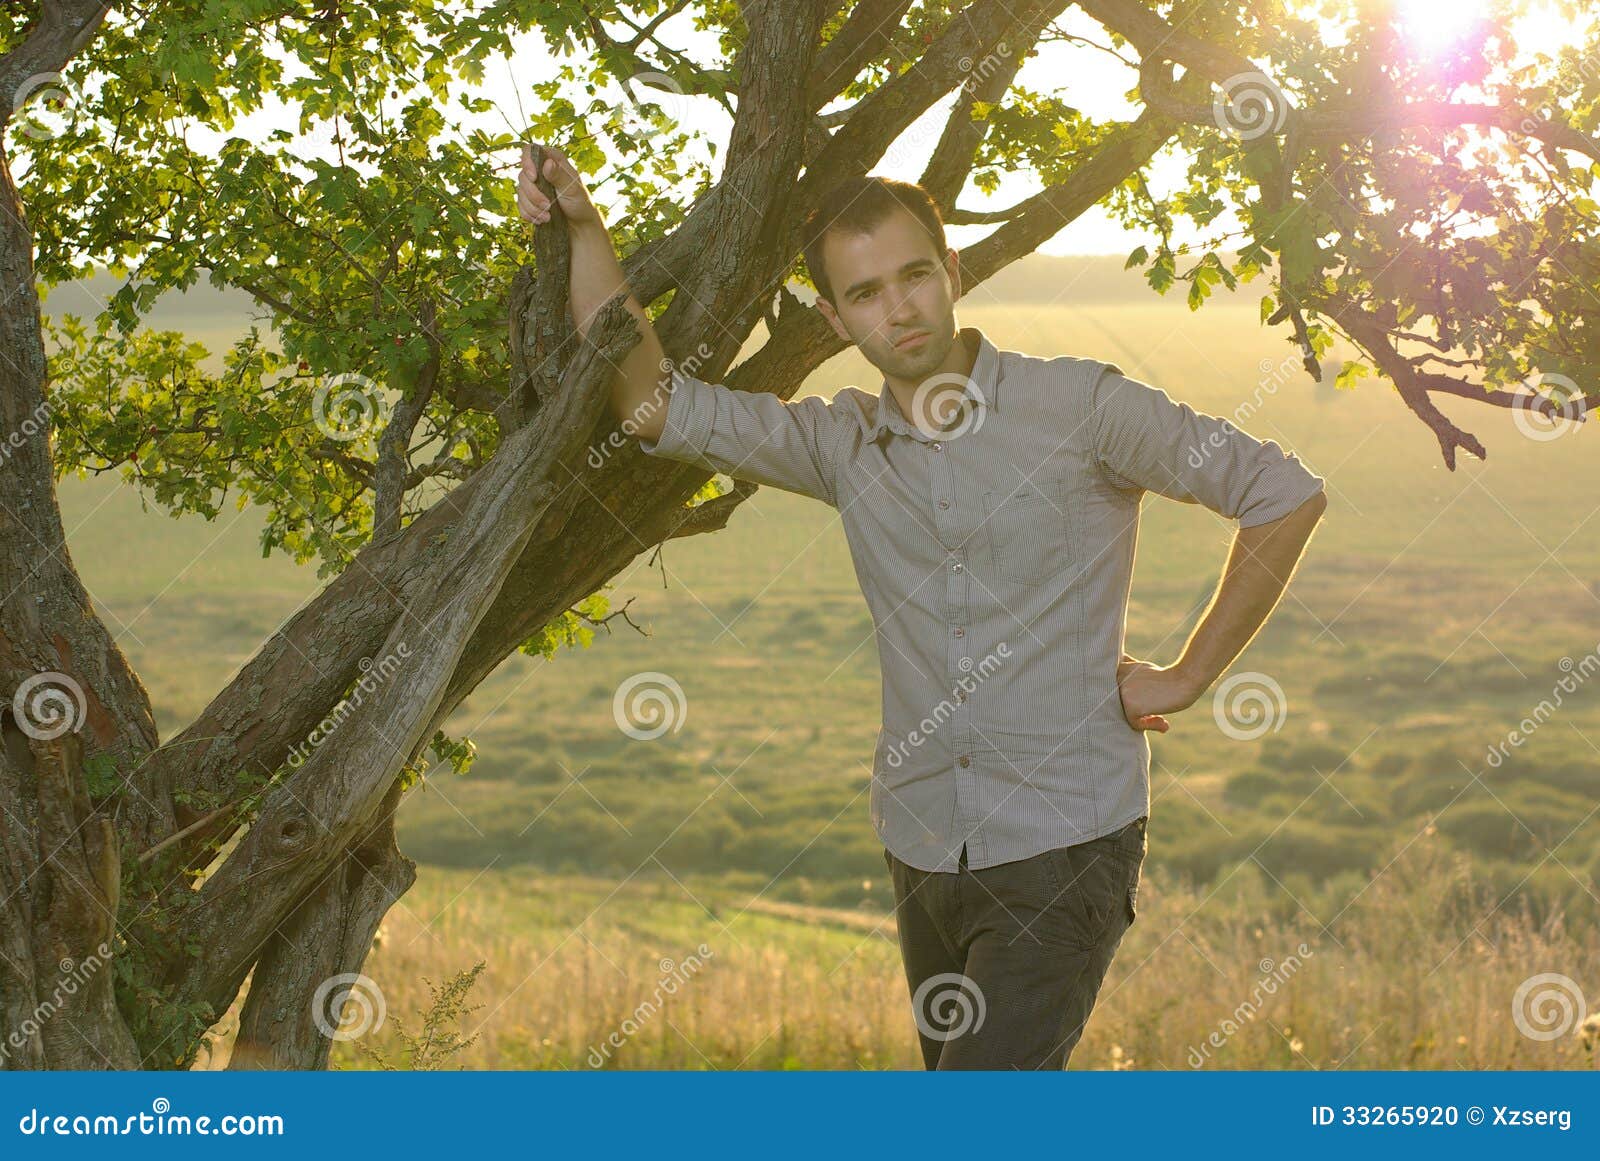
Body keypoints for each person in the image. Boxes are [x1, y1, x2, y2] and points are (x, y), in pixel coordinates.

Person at [517, 142, 1329, 1069]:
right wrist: (585, 226)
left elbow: (1282, 491)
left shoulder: (1080, 406)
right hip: (923, 844)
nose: (898, 308)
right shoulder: (840, 445)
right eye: (865, 294)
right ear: (832, 316)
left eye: (914, 275)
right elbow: (650, 402)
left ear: (952, 271)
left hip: (1065, 843)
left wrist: (1187, 675)